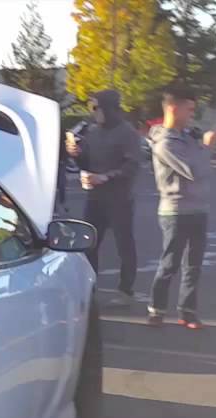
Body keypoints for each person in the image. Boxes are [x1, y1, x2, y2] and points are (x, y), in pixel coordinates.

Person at [146, 85, 216, 330]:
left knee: (194, 264)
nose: (191, 114)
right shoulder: (164, 143)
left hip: (198, 210)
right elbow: (194, 171)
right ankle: (156, 310)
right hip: (175, 211)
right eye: (189, 109)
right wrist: (207, 147)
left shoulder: (187, 137)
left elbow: (203, 169)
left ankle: (188, 312)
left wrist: (202, 148)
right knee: (170, 263)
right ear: (173, 108)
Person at [65, 89, 142, 305]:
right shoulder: (92, 131)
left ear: (110, 108)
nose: (93, 111)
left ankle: (126, 291)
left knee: (124, 245)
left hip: (119, 199)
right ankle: (90, 287)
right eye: (91, 107)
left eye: (96, 107)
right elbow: (86, 162)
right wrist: (77, 156)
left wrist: (106, 177)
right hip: (95, 197)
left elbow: (132, 165)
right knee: (88, 243)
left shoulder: (127, 132)